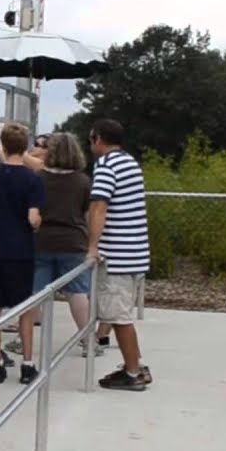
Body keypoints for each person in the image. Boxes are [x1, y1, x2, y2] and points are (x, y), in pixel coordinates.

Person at [0, 122, 45, 385]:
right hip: (22, 251)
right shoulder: (32, 180)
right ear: (25, 147)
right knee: (25, 308)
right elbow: (33, 218)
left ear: (2, 145)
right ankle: (27, 364)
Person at [86, 118, 153, 391]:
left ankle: (133, 372)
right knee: (120, 312)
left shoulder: (106, 166)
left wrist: (92, 246)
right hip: (135, 252)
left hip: (117, 255)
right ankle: (134, 364)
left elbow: (99, 206)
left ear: (98, 139)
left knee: (118, 315)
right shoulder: (129, 163)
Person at [31, 132, 92, 343]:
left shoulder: (38, 179)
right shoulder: (83, 181)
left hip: (42, 240)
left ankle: (25, 339)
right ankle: (87, 340)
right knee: (77, 292)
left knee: (35, 293)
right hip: (73, 241)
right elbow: (88, 215)